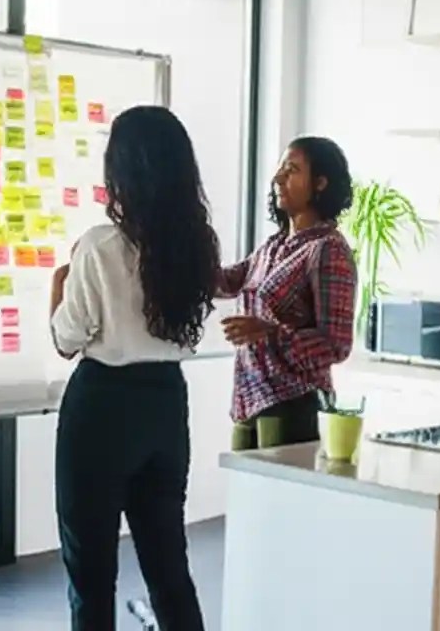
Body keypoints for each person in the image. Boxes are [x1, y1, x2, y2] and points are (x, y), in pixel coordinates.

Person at [49, 106, 217, 630]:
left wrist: (61, 279)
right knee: (170, 570)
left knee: (92, 580)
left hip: (102, 407)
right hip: (167, 404)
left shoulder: (98, 246)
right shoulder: (196, 245)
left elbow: (65, 338)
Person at [218, 136, 357, 450]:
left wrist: (270, 334)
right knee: (244, 498)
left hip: (293, 404)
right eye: (280, 169)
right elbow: (227, 282)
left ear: (320, 183)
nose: (278, 178)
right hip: (249, 402)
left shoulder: (328, 250)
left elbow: (336, 344)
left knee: (277, 499)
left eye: (292, 170)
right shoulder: (274, 247)